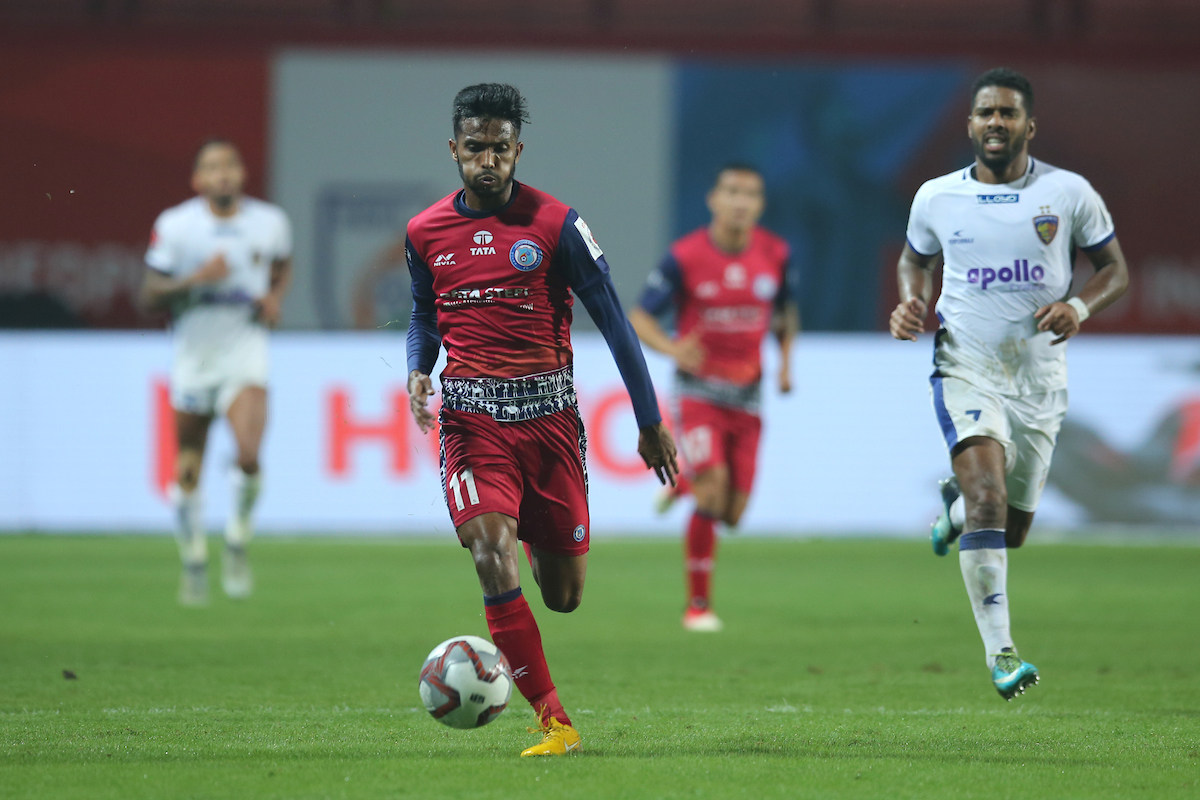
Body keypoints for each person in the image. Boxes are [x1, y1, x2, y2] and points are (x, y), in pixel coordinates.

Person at [405, 83, 678, 757]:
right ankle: (556, 723)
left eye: (500, 148)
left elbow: (615, 322)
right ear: (453, 149)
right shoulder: (423, 232)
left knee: (563, 596)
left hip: (550, 426)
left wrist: (649, 420)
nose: (488, 161)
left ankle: (524, 525)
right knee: (490, 554)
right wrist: (419, 367)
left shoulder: (557, 225)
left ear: (518, 150)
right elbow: (424, 313)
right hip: (471, 425)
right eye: (475, 148)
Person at [889, 67, 1128, 699]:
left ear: (1029, 125)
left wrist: (1078, 307)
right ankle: (1002, 655)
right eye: (986, 112)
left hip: (1039, 378)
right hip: (966, 366)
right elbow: (915, 259)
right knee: (990, 501)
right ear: (971, 124)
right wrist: (911, 301)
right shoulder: (937, 196)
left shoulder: (1068, 193)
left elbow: (1114, 269)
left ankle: (954, 510)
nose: (996, 121)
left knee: (1009, 528)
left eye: (1008, 113)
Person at [630, 164, 798, 632]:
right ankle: (698, 607)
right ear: (713, 199)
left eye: (751, 194)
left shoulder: (776, 253)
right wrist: (672, 349)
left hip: (748, 396)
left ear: (760, 205)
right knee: (714, 489)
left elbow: (785, 312)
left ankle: (682, 485)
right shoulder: (684, 257)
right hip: (698, 392)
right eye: (732, 192)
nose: (741, 202)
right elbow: (640, 317)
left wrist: (786, 363)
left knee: (733, 514)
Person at [140, 139, 293, 606]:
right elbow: (148, 296)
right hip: (193, 358)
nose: (222, 173)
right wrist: (196, 279)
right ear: (198, 180)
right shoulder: (176, 226)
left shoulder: (270, 222)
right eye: (212, 167)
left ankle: (237, 538)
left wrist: (274, 298)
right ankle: (193, 559)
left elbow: (282, 265)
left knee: (248, 453)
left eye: (229, 165)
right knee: (189, 463)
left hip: (245, 353)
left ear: (242, 173)